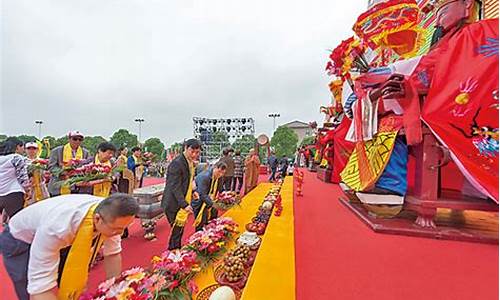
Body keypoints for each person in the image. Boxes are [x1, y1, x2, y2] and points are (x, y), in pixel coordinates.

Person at [0, 193, 139, 300]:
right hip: (18, 241)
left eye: (124, 228)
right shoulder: (57, 228)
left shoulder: (109, 214)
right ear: (97, 219)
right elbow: (39, 289)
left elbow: (113, 254)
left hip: (57, 235)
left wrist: (116, 291)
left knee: (68, 279)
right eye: (118, 229)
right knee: (28, 289)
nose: (120, 234)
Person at [161, 138, 202, 250]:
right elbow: (175, 187)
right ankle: (172, 254)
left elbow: (188, 181)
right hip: (173, 203)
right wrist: (184, 204)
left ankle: (176, 251)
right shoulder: (177, 163)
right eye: (192, 151)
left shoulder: (189, 162)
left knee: (179, 231)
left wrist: (193, 192)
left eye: (197, 152)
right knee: (176, 231)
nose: (194, 155)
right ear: (185, 148)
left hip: (182, 200)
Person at [47, 131, 90, 196]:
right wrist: (62, 172)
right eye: (75, 139)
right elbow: (51, 167)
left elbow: (87, 166)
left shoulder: (85, 153)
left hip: (77, 187)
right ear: (69, 139)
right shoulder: (57, 151)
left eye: (80, 139)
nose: (77, 141)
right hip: (58, 187)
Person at [0, 137, 30, 219]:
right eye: (23, 147)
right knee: (16, 222)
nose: (23, 150)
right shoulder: (16, 158)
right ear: (17, 147)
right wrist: (28, 190)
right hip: (14, 194)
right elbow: (22, 177)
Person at [192, 161, 227, 231]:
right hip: (200, 201)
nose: (220, 174)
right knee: (201, 223)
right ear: (215, 167)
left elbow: (221, 189)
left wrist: (226, 195)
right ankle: (200, 239)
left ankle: (211, 236)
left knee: (213, 220)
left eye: (223, 173)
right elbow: (202, 194)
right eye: (219, 172)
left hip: (210, 200)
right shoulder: (205, 176)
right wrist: (213, 204)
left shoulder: (219, 177)